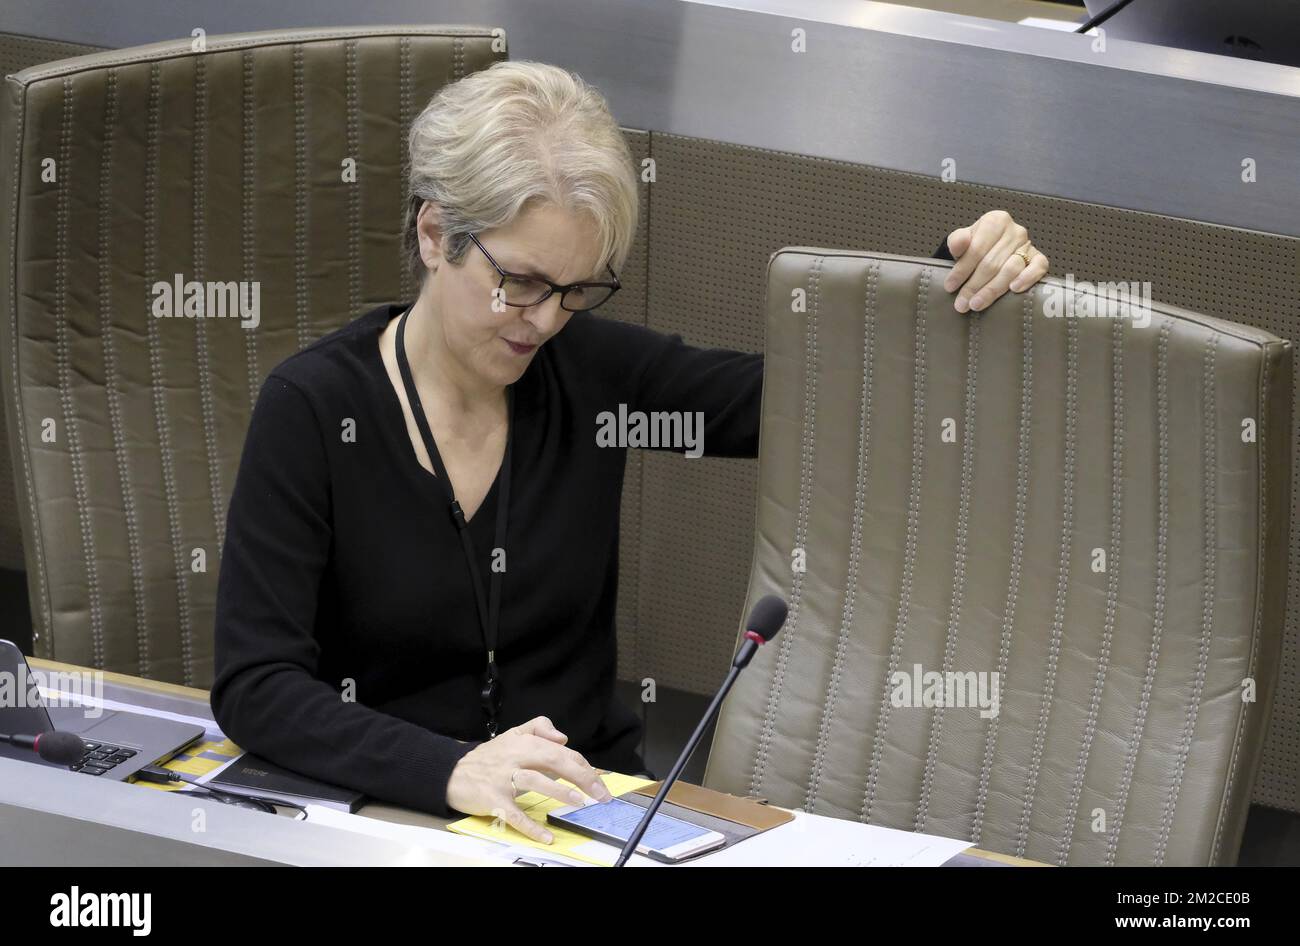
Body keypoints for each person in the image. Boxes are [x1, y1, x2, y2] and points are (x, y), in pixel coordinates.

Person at [210, 60, 1049, 845]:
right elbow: (259, 686)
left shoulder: (591, 373)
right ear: (435, 235)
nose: (542, 320)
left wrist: (950, 280)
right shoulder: (316, 408)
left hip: (590, 815)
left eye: (576, 292)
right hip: (390, 815)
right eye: (523, 282)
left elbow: (814, 404)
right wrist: (451, 768)